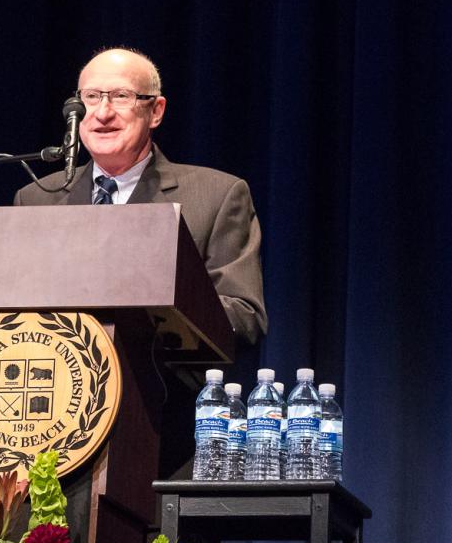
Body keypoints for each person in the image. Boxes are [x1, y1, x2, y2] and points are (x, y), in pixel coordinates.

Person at [15, 47, 267, 344]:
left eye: (121, 96)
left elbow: (244, 317)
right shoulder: (36, 199)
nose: (103, 113)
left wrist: (155, 303)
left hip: (160, 383)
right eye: (92, 97)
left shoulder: (216, 196)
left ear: (156, 111)